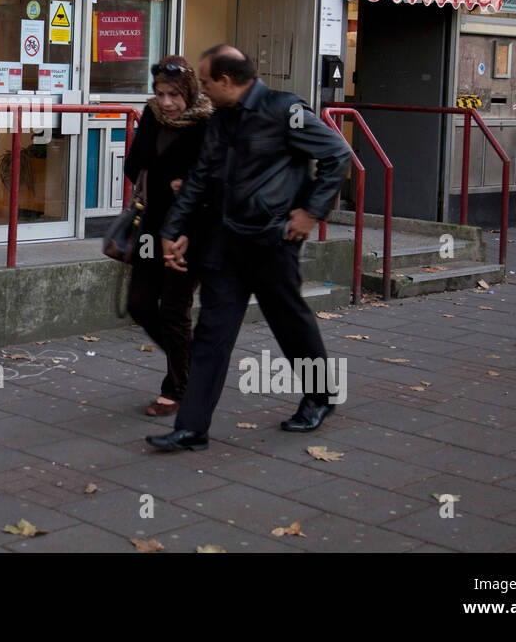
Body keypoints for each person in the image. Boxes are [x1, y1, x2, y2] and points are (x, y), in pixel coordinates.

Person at [146, 44, 351, 452]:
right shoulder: (221, 118)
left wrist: (310, 212)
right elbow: (201, 177)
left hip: (273, 240)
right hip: (226, 242)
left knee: (290, 323)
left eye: (205, 82)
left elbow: (338, 155)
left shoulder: (284, 109)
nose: (200, 89)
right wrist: (173, 228)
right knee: (211, 335)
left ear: (225, 81)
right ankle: (192, 428)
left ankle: (320, 397)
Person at [123, 56, 212, 417]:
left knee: (175, 310)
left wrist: (189, 185)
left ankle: (178, 387)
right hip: (151, 226)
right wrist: (162, 176)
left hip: (190, 230)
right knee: (140, 304)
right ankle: (190, 360)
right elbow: (133, 166)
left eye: (174, 94)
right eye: (161, 94)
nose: (168, 103)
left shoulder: (207, 123)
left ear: (188, 91)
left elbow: (216, 176)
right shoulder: (153, 118)